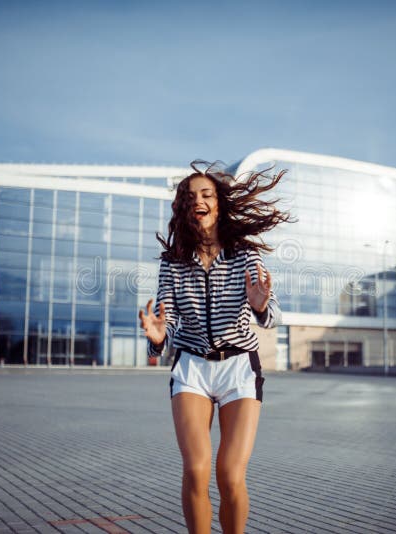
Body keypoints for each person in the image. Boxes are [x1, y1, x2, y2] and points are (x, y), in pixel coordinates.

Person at [139, 160, 292, 534]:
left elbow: (272, 317)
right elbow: (167, 322)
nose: (198, 201)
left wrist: (259, 305)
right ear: (184, 208)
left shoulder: (243, 254)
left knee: (229, 475)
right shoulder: (173, 263)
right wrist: (157, 338)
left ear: (218, 203)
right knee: (195, 470)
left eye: (206, 194)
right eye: (190, 197)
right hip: (192, 368)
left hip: (239, 368)